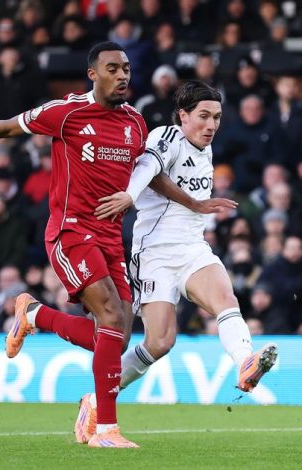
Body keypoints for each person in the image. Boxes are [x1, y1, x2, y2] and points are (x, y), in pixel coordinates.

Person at [0, 42, 159, 448]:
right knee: (109, 315)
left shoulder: (135, 123)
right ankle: (104, 428)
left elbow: (148, 173)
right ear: (93, 74)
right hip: (71, 231)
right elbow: (6, 126)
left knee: (118, 335)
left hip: (111, 237)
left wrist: (192, 202)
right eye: (113, 68)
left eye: (126, 68)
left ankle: (35, 314)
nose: (123, 75)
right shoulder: (66, 113)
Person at [89, 80, 277, 436]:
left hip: (193, 248)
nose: (211, 125)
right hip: (155, 254)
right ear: (183, 115)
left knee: (226, 299)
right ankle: (97, 403)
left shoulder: (204, 149)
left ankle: (245, 362)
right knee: (160, 342)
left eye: (217, 117)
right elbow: (147, 168)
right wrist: (129, 195)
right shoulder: (168, 136)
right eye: (203, 116)